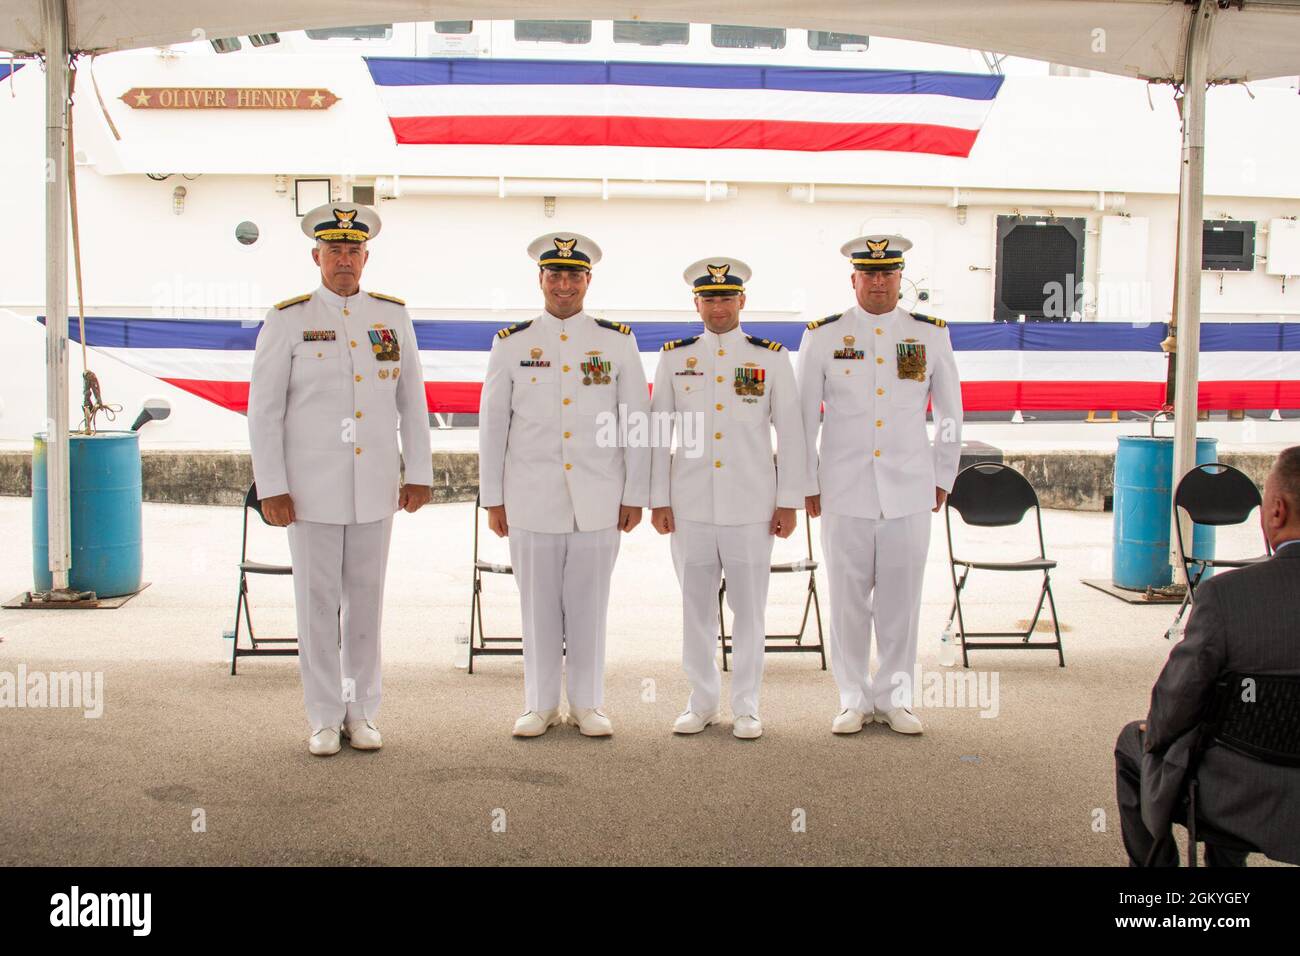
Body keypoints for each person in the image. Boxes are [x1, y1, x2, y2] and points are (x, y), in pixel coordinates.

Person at [247, 202, 432, 756]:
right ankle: (324, 717)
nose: (344, 260)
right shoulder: (289, 319)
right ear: (316, 256)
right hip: (309, 492)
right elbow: (264, 412)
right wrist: (271, 486)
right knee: (317, 605)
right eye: (335, 250)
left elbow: (411, 402)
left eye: (353, 250)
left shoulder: (392, 316)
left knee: (366, 607)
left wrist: (418, 472)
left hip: (375, 488)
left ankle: (362, 711)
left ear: (366, 256)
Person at [478, 233, 650, 738]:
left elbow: (634, 421)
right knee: (537, 609)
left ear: (588, 281)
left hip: (599, 500)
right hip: (531, 500)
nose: (564, 284)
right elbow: (494, 426)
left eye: (574, 275)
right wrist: (494, 497)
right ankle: (539, 704)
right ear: (541, 280)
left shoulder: (616, 341)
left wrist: (634, 493)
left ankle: (589, 704)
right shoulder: (511, 344)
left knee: (589, 606)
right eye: (555, 274)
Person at [796, 234, 963, 736]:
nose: (877, 281)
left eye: (887, 273)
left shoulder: (929, 334)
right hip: (843, 489)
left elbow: (951, 413)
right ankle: (852, 698)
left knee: (900, 599)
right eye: (868, 273)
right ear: (854, 279)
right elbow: (805, 418)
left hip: (910, 489)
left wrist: (942, 475)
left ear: (899, 279)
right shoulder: (823, 336)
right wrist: (806, 481)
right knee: (847, 600)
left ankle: (894, 698)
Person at [1114, 447, 1300, 867]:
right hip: (1257, 786)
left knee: (1137, 742)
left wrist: (1158, 738)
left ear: (1276, 511)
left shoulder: (1227, 597)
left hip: (1238, 799)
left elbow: (1172, 707)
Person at [649, 258, 806, 740]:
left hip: (751, 506)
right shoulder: (675, 357)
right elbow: (659, 433)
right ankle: (701, 701)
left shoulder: (771, 357)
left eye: (726, 297)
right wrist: (658, 497)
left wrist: (788, 501)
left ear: (742, 301)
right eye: (708, 298)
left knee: (749, 611)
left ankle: (747, 706)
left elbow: (791, 433)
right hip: (691, 504)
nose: (718, 306)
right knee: (695, 609)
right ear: (696, 303)